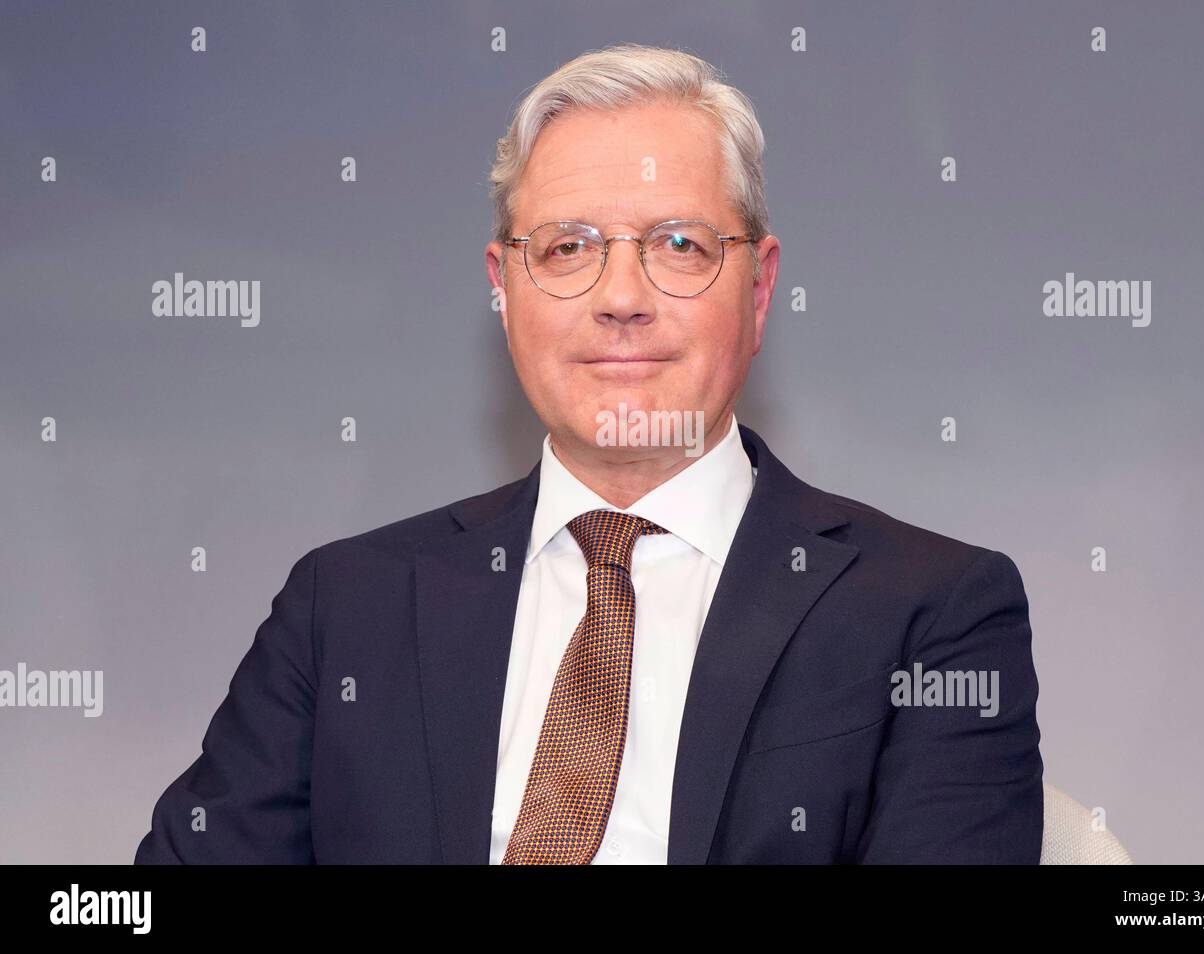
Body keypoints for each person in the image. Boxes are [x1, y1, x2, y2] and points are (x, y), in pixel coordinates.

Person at [135, 42, 1043, 865]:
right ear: (502, 288)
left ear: (759, 290)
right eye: (568, 248)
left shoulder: (931, 611)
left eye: (678, 245)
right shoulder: (347, 604)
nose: (620, 298)